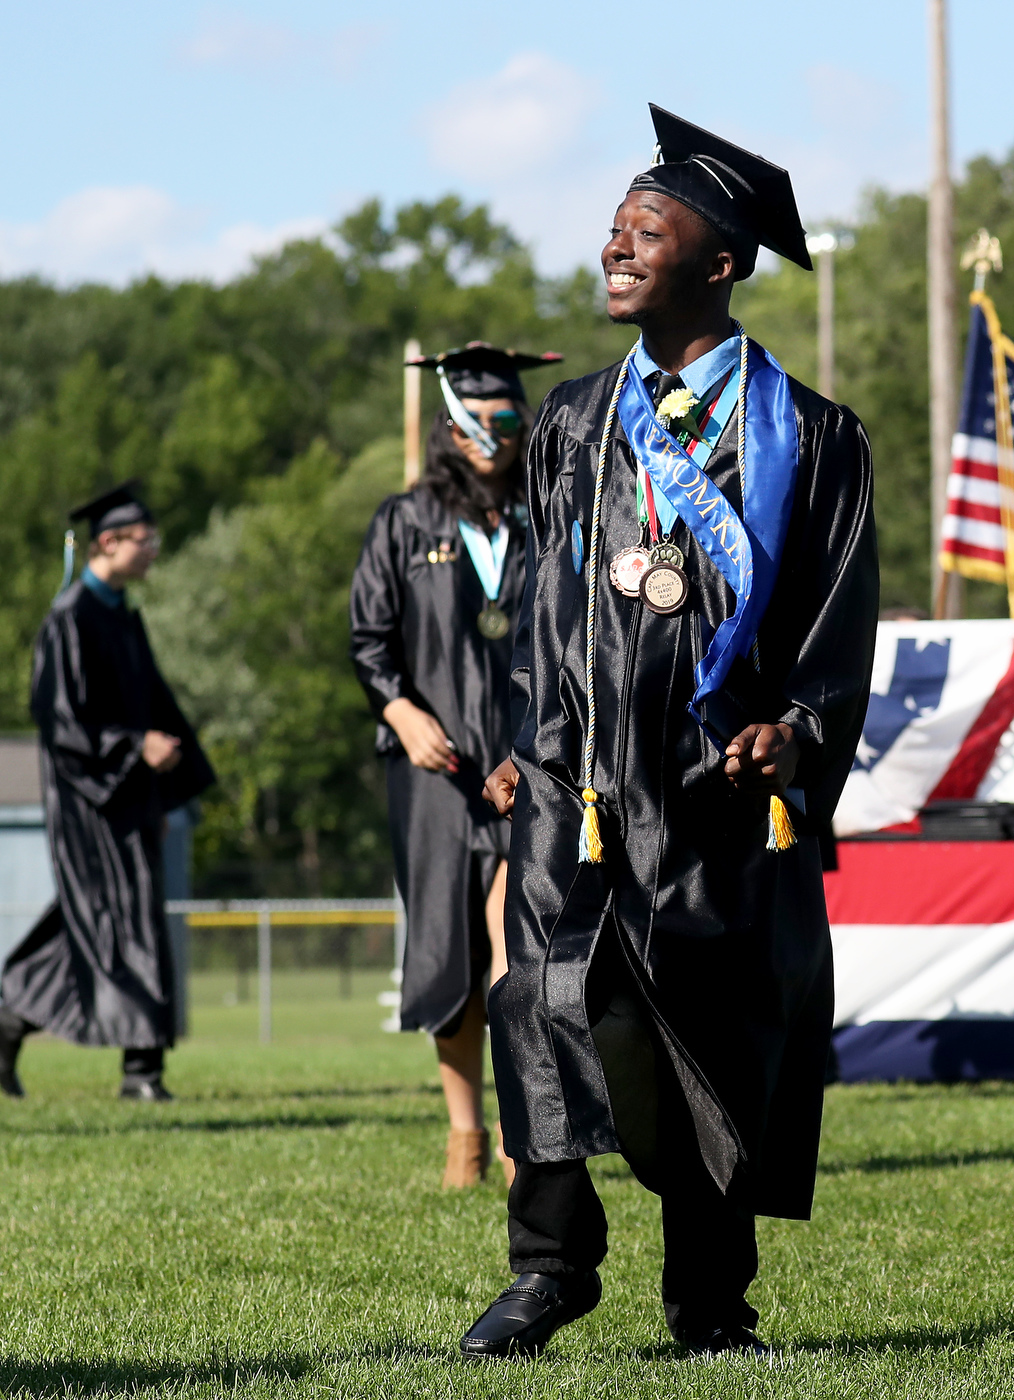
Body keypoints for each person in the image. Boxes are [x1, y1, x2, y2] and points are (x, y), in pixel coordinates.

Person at [460, 105, 879, 1358]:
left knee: (711, 1025)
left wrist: (800, 727)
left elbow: (838, 609)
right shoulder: (576, 425)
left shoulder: (809, 435)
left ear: (719, 260)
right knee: (537, 994)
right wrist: (521, 738)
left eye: (647, 228)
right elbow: (541, 603)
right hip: (578, 778)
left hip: (714, 789)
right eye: (612, 228)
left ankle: (709, 1300)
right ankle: (551, 1263)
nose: (615, 245)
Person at [350, 343, 561, 1189]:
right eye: (475, 421)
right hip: (431, 770)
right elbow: (369, 639)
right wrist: (400, 713)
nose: (491, 435)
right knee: (449, 963)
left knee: (518, 950)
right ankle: (463, 1136)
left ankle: (521, 1138)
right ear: (447, 427)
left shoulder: (547, 518)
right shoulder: (404, 522)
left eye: (506, 419)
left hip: (525, 764)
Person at [0, 482, 215, 1101]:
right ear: (108, 542)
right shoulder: (69, 620)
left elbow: (154, 705)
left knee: (89, 927)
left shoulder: (119, 615)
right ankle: (141, 1073)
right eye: (145, 541)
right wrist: (133, 747)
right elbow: (61, 722)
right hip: (89, 806)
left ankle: (8, 1027)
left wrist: (162, 794)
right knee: (119, 923)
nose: (153, 552)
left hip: (127, 801)